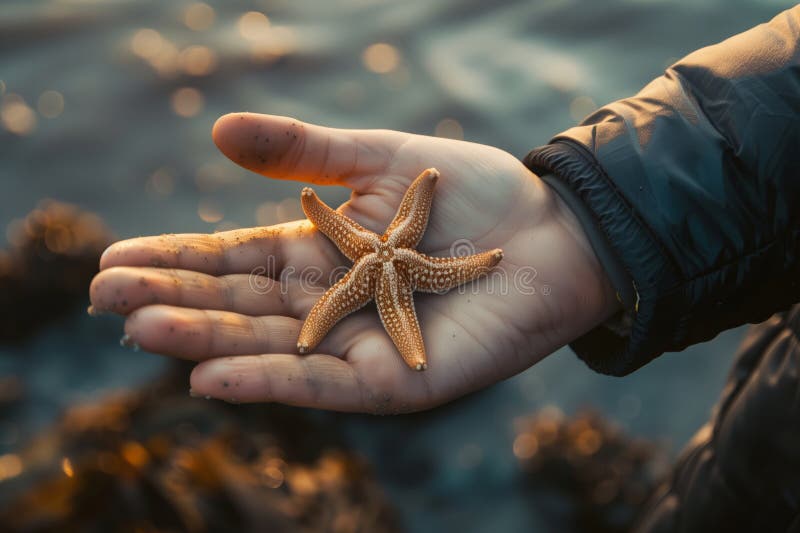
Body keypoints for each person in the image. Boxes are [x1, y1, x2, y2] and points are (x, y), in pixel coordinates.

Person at [90, 5, 799, 530]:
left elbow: (412, 272)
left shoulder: (389, 260)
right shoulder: (381, 255)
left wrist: (577, 229)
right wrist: (580, 224)